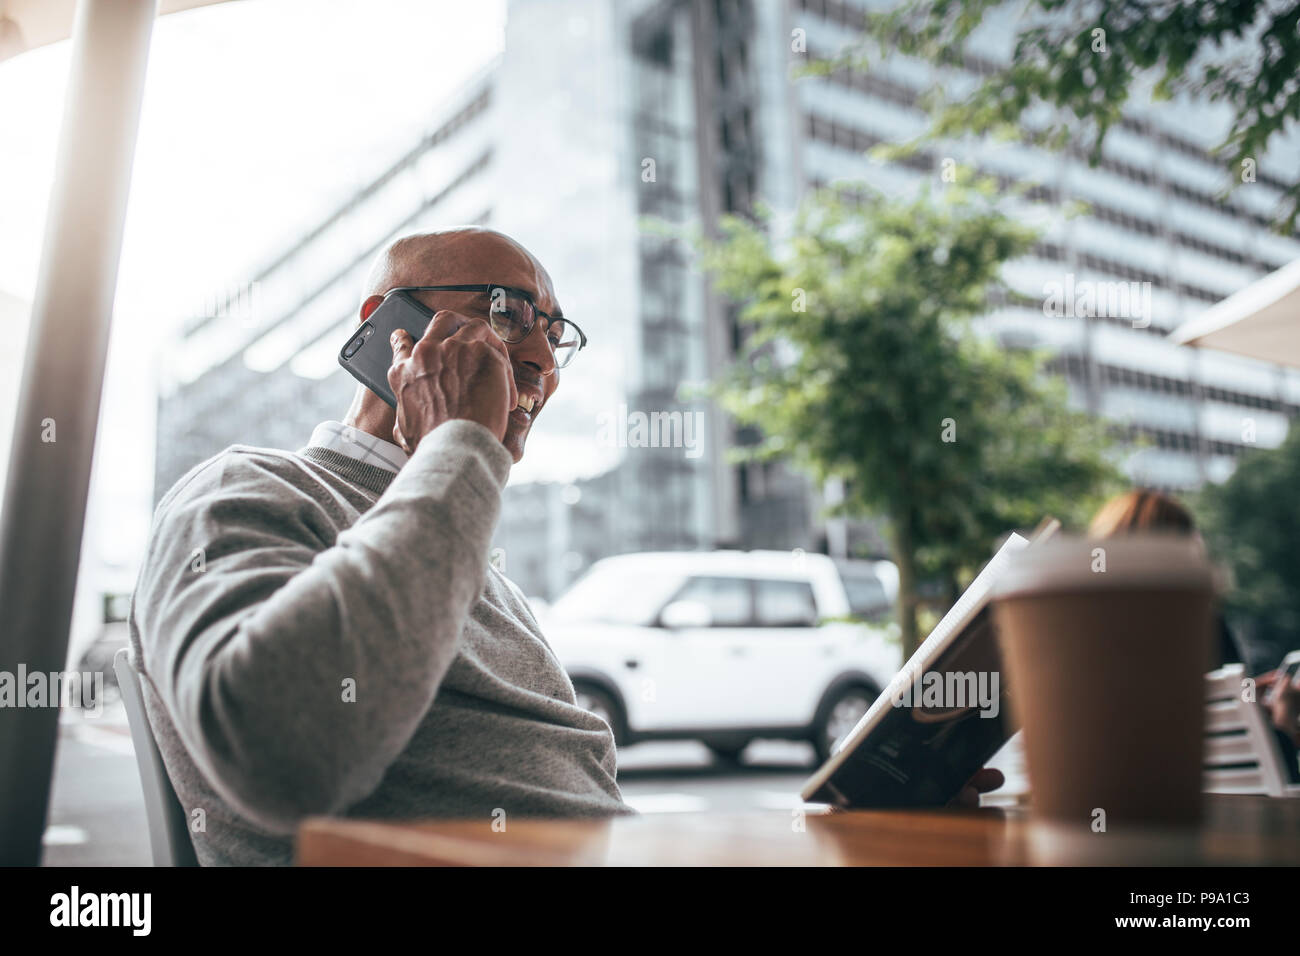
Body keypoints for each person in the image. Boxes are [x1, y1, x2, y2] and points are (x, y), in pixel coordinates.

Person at [130, 226, 1001, 865]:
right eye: (506, 314)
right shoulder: (248, 488)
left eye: (556, 332)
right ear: (386, 331)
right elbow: (282, 752)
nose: (543, 359)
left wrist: (837, 838)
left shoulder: (480, 564)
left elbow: (590, 825)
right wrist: (459, 450)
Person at [1089, 489, 1300, 778]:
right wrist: (1284, 719)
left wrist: (1241, 705)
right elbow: (1259, 775)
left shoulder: (1082, 633)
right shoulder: (1198, 623)